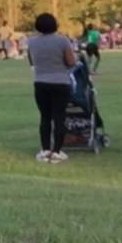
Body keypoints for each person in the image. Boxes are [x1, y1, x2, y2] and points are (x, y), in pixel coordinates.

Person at [27, 13, 76, 164]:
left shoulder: (32, 42)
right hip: (60, 82)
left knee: (45, 117)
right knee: (59, 116)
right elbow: (71, 62)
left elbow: (31, 61)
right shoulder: (62, 40)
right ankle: (57, 151)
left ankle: (45, 149)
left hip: (41, 82)